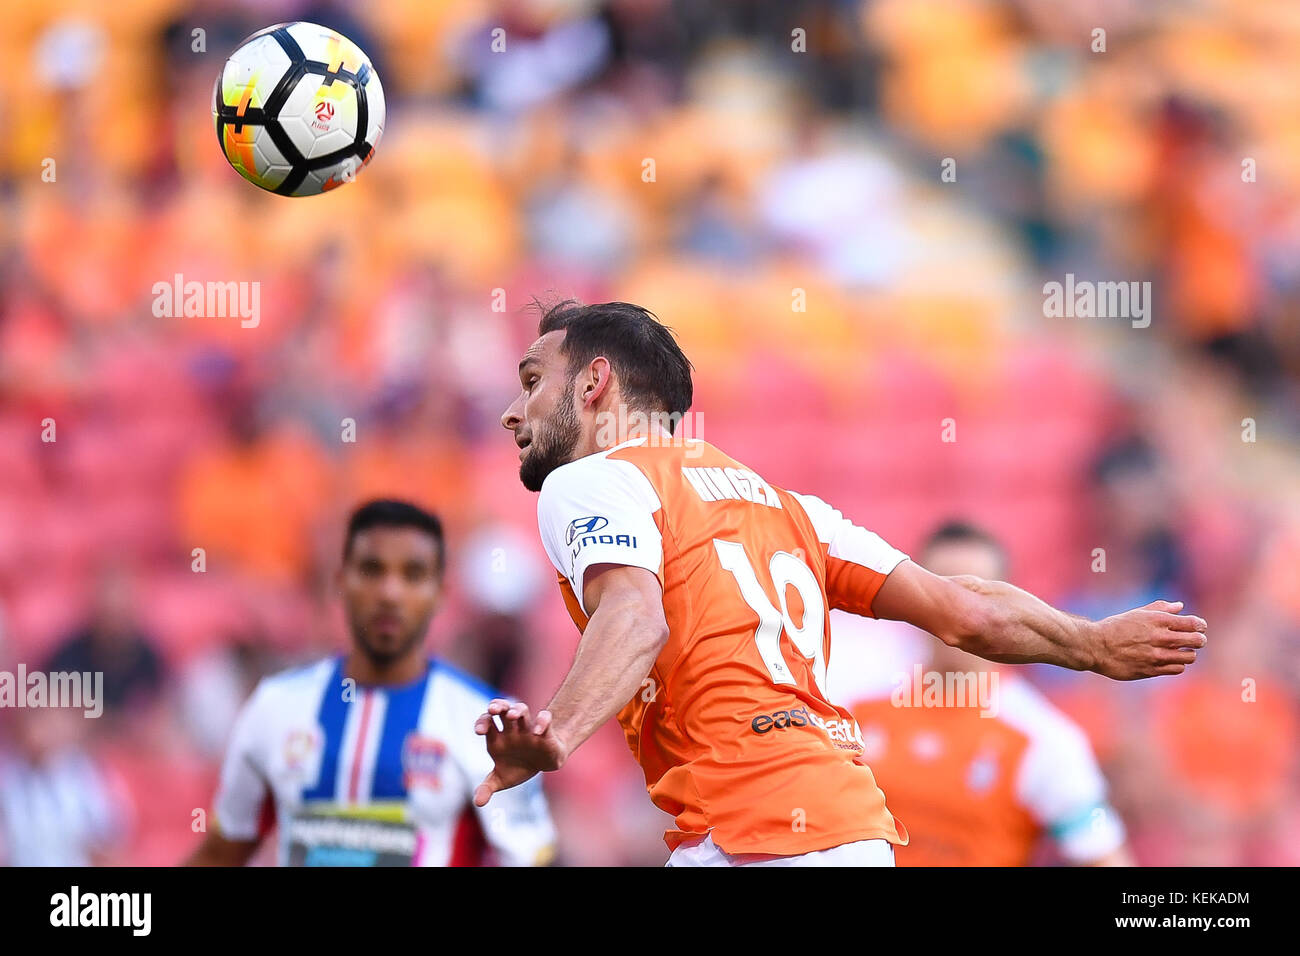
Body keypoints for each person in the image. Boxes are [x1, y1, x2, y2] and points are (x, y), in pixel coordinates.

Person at [475, 298, 1207, 868]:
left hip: (760, 836)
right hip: (841, 832)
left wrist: (555, 737)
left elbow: (636, 618)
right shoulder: (791, 507)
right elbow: (960, 609)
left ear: (597, 382)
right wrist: (1092, 644)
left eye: (533, 383)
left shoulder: (594, 479)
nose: (514, 412)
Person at [186, 499, 556, 866]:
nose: (390, 594)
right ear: (340, 581)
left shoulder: (484, 726)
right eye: (372, 570)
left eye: (412, 574)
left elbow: (533, 859)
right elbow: (221, 853)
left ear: (440, 593)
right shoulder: (275, 707)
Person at [826, 521, 1135, 866]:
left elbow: (1104, 856)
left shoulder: (1041, 738)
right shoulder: (850, 698)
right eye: (940, 590)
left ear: (1012, 607)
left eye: (977, 594)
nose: (958, 610)